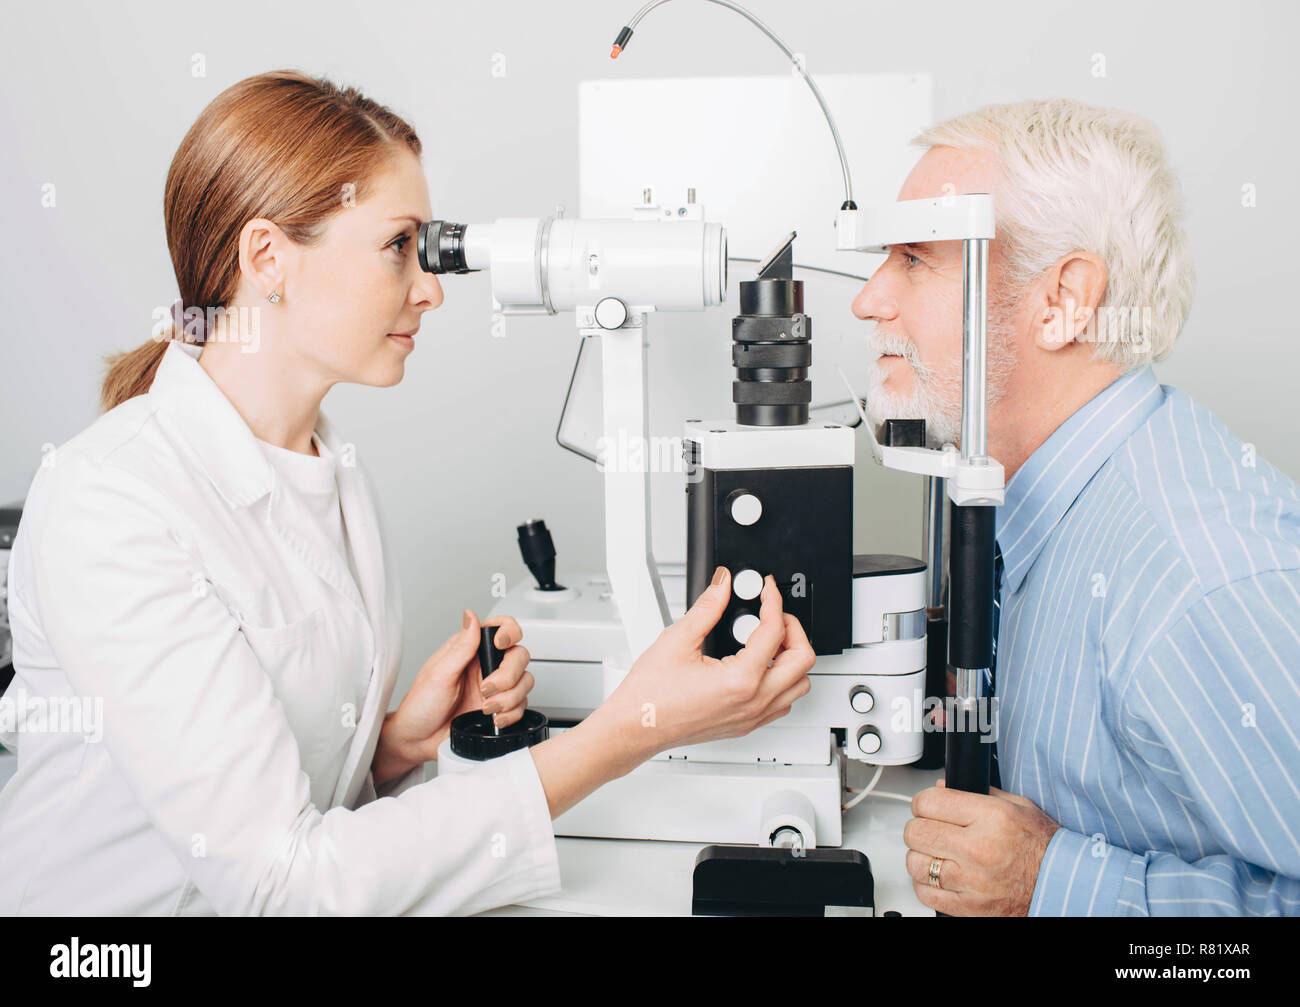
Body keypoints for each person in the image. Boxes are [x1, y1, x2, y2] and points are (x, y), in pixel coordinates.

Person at [0, 69, 815, 916]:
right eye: (399, 246)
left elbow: (269, 790)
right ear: (267, 257)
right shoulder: (114, 501)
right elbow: (283, 882)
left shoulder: (330, 469)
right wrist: (631, 728)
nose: (429, 286)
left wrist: (390, 745)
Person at [854, 97, 1300, 916]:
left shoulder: (1198, 581)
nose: (869, 299)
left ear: (1063, 301)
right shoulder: (1036, 509)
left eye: (916, 258)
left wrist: (1049, 883)